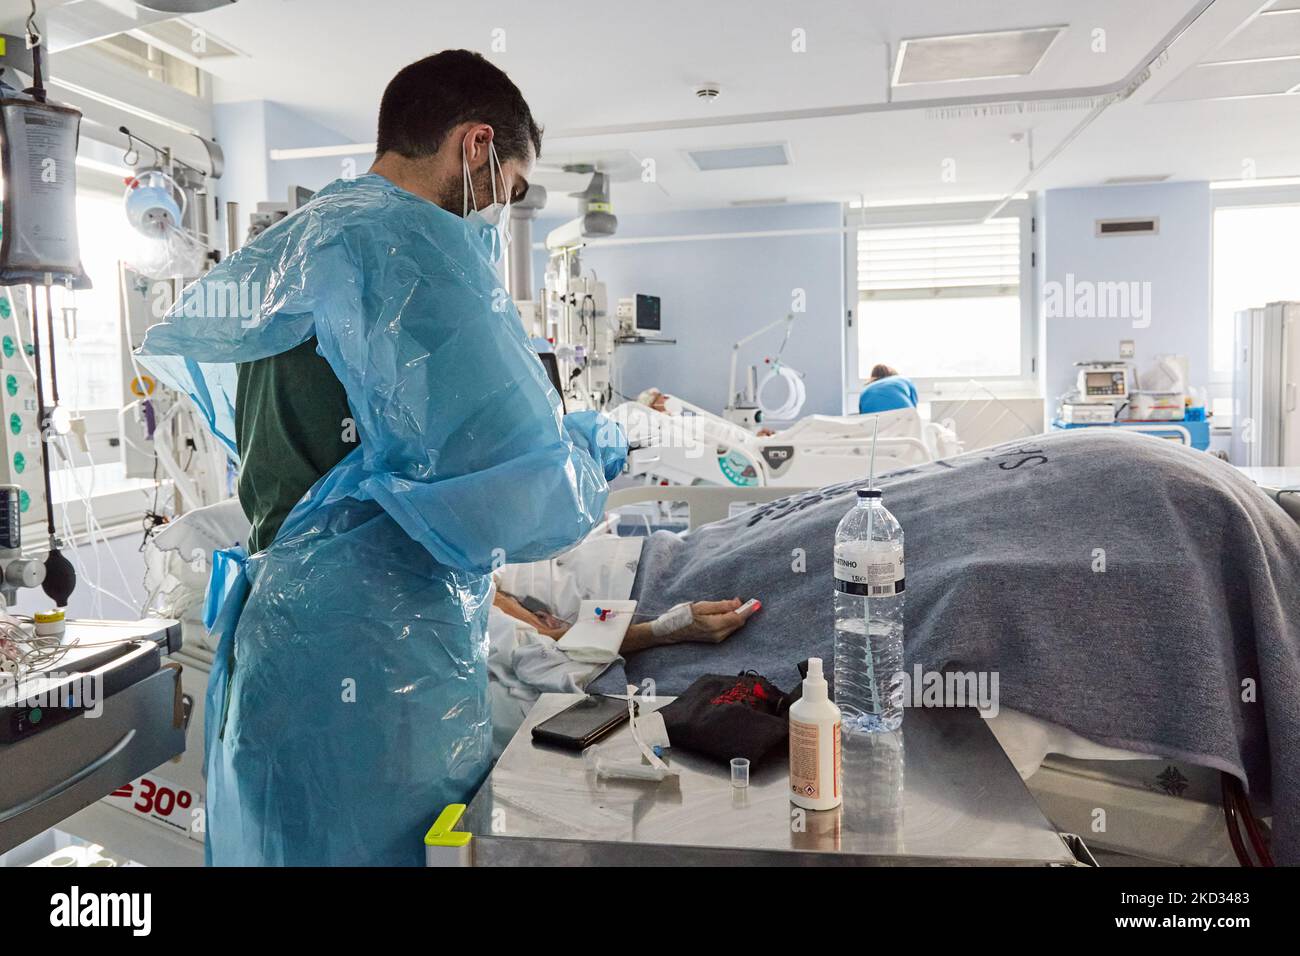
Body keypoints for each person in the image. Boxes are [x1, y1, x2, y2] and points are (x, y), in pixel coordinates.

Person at [138, 51, 625, 866]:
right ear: (475, 146)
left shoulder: (296, 245)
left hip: (279, 650)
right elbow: (525, 500)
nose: (494, 220)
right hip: (378, 668)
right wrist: (594, 446)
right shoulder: (411, 255)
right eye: (505, 194)